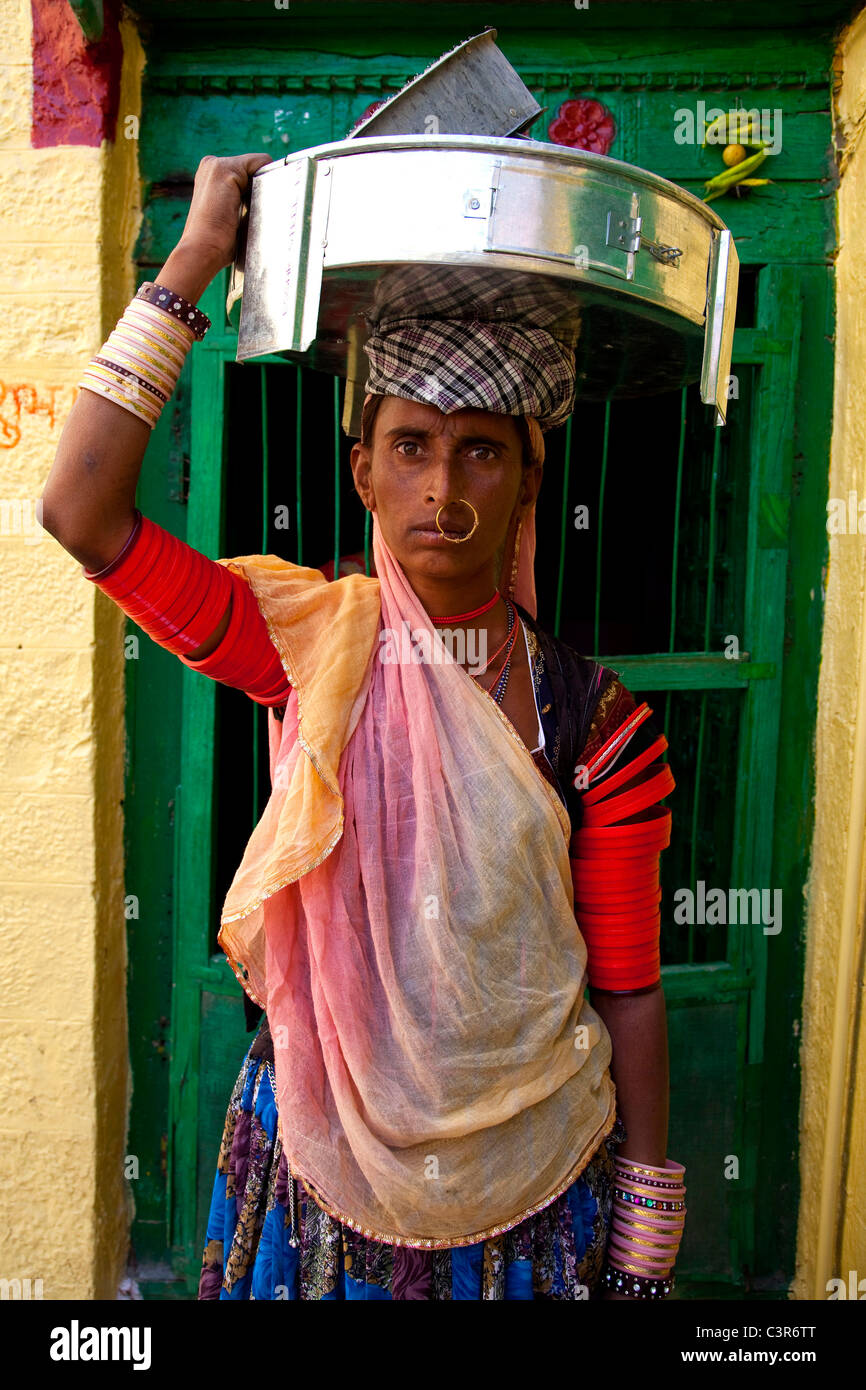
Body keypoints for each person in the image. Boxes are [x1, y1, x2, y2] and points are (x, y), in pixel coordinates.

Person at [41, 154, 686, 1302]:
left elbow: (628, 985)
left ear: (527, 483)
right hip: (319, 1168)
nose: (445, 485)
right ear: (362, 474)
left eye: (482, 447)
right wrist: (195, 258)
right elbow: (80, 511)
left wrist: (645, 1216)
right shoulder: (304, 648)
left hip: (533, 1190)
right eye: (410, 445)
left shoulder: (598, 726)